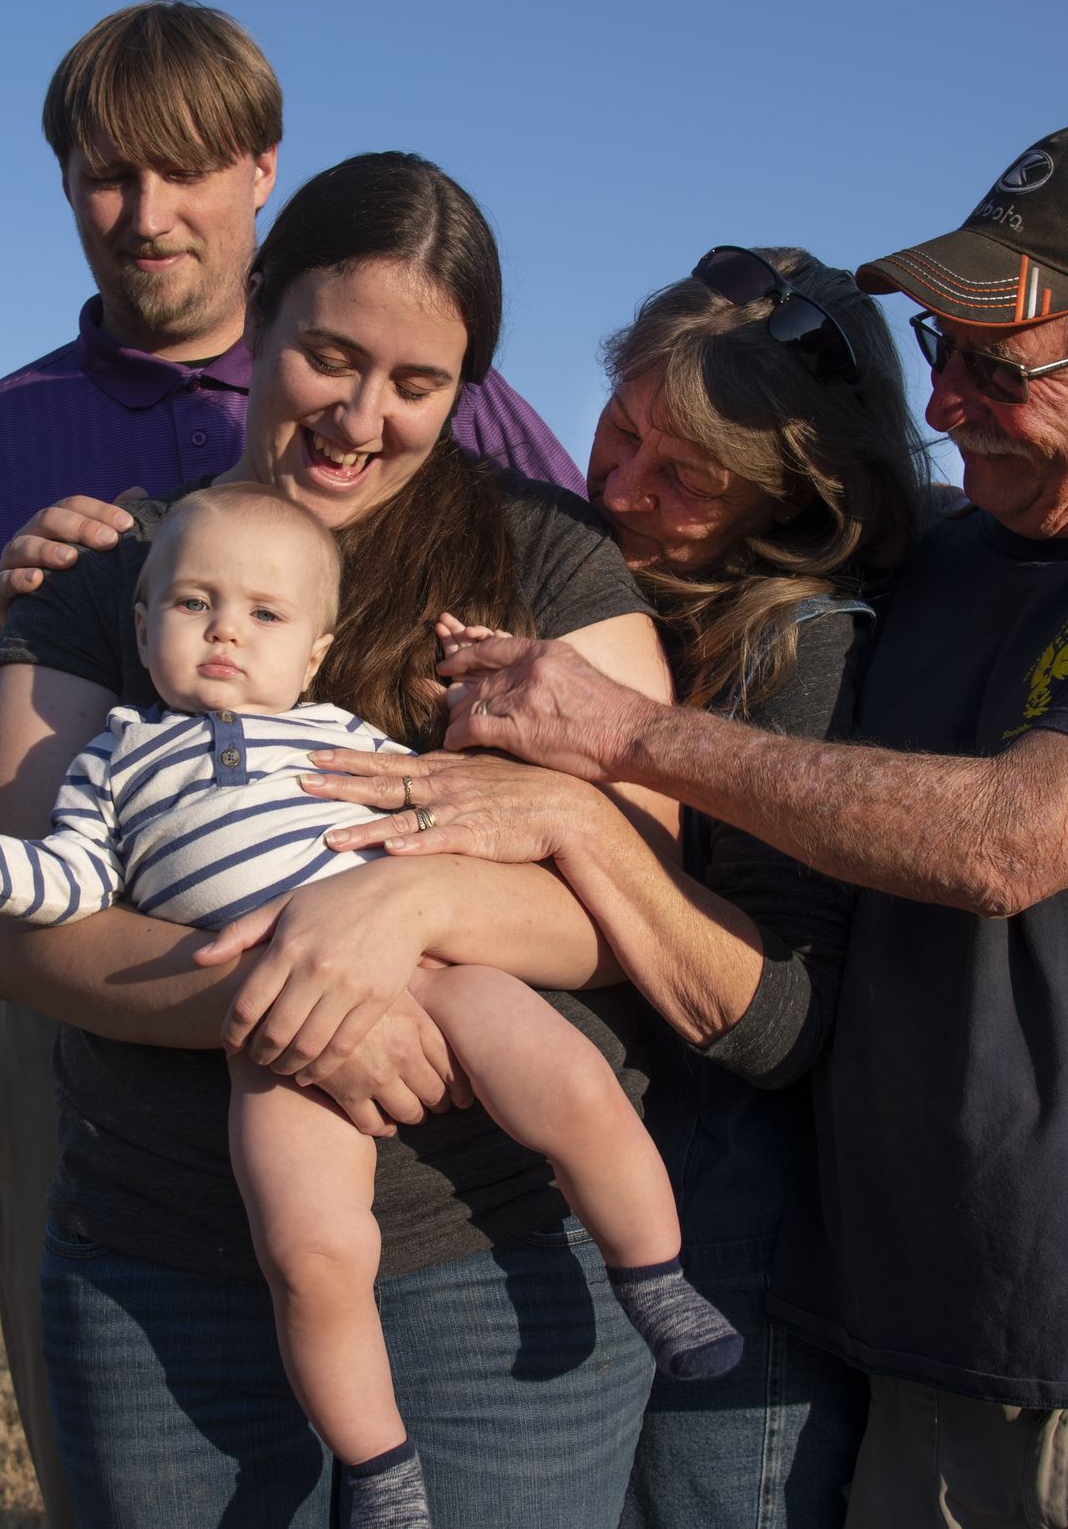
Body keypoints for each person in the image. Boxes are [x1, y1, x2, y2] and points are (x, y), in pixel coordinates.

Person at [389, 122, 1068, 1526]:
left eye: (999, 370)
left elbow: (1013, 839)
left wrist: (623, 737)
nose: (946, 406)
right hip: (927, 1372)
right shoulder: (933, 566)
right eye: (938, 353)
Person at [0, 0, 581, 1523]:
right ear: (63, 186)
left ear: (264, 174)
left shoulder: (429, 377)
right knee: (136, 1451)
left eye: (186, 171)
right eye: (106, 176)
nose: (146, 214)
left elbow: (577, 628)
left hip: (439, 1005)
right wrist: (7, 642)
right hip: (90, 1018)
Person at [0, 151, 678, 1527]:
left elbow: (640, 895)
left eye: (417, 386)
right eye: (329, 358)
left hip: (493, 1258)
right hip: (163, 1268)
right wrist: (291, 997)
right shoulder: (109, 578)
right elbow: (23, 930)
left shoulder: (548, 563)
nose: (362, 416)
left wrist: (399, 912)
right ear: (260, 324)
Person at [0, 484, 741, 1528]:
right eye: (193, 604)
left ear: (315, 652)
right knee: (312, 1252)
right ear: (140, 627)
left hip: (430, 976)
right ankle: (381, 1467)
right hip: (270, 1051)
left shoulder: (342, 733)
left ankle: (656, 1277)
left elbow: (451, 803)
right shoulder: (111, 764)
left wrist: (482, 681)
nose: (227, 628)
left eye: (264, 614)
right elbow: (56, 885)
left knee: (576, 1088)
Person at [304, 245, 931, 1529]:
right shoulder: (559, 568)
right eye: (622, 427)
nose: (625, 486)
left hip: (725, 1231)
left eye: (686, 476)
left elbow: (780, 1020)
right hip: (519, 1203)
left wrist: (572, 815)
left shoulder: (795, 654)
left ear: (795, 498)